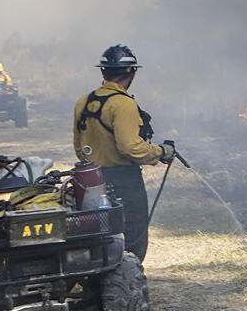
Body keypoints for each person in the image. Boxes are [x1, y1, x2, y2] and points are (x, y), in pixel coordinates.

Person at [72, 45, 173, 263]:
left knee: (96, 232)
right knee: (132, 233)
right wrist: (161, 152)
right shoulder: (123, 104)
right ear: (131, 73)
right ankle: (128, 280)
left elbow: (78, 146)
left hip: (89, 180)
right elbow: (131, 147)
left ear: (103, 72)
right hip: (123, 180)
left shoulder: (84, 101)